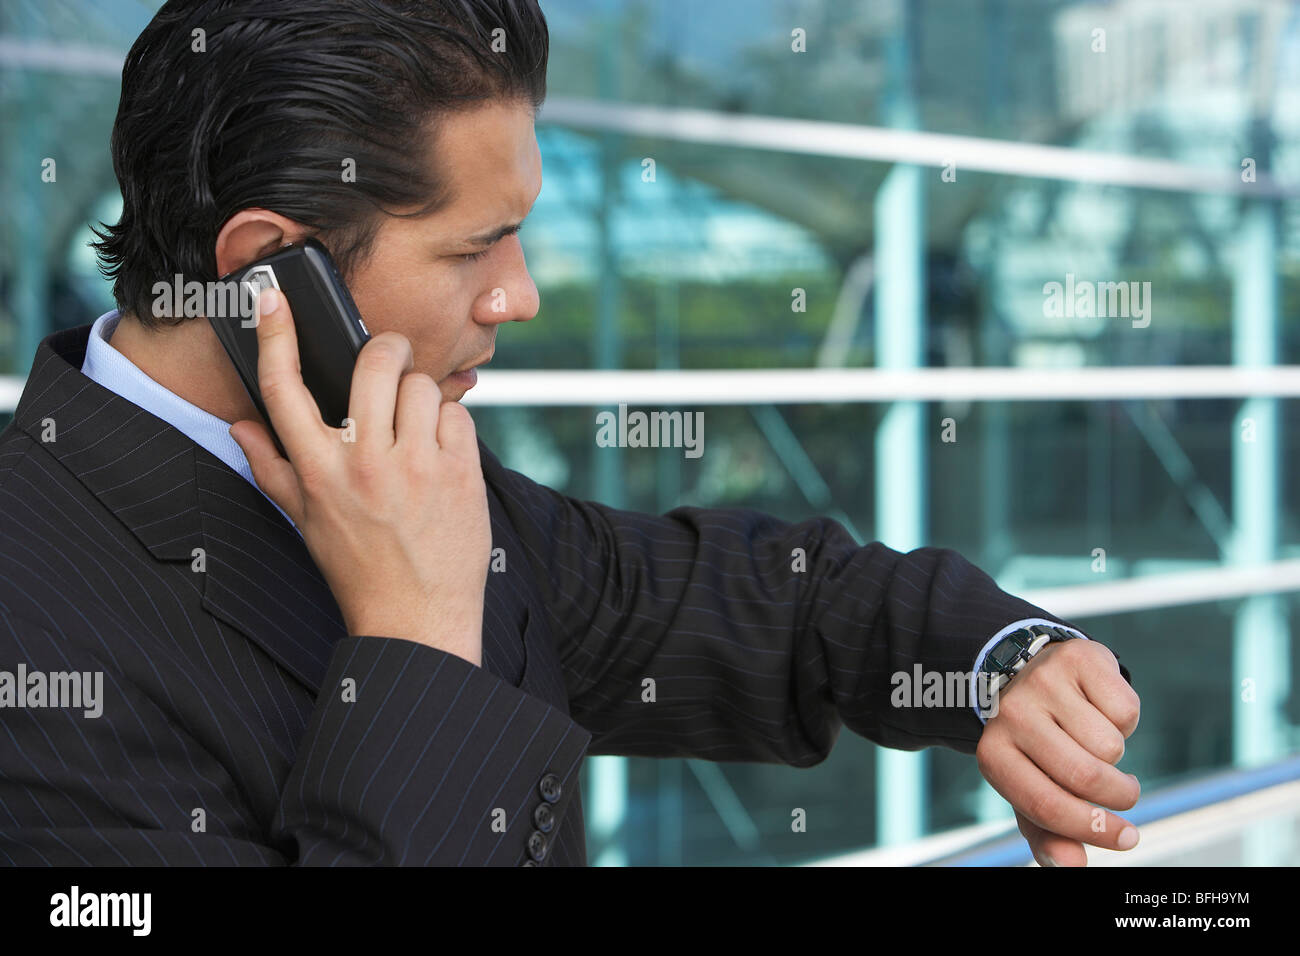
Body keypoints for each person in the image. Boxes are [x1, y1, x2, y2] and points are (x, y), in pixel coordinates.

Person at [0, 0, 1140, 867]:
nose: (520, 294)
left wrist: (1002, 663)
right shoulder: (36, 646)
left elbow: (760, 599)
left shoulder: (403, 475)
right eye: (472, 248)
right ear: (267, 275)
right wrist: (419, 638)